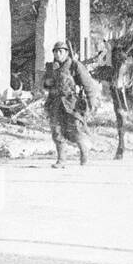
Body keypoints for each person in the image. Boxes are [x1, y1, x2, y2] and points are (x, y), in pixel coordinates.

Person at [42, 40, 97, 168]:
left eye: (61, 51)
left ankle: (84, 152)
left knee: (75, 130)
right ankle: (61, 160)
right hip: (55, 102)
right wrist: (48, 81)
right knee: (56, 131)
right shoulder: (51, 67)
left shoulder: (75, 66)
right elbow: (44, 83)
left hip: (72, 103)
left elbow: (87, 83)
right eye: (55, 52)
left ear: (66, 53)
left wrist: (91, 101)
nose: (58, 54)